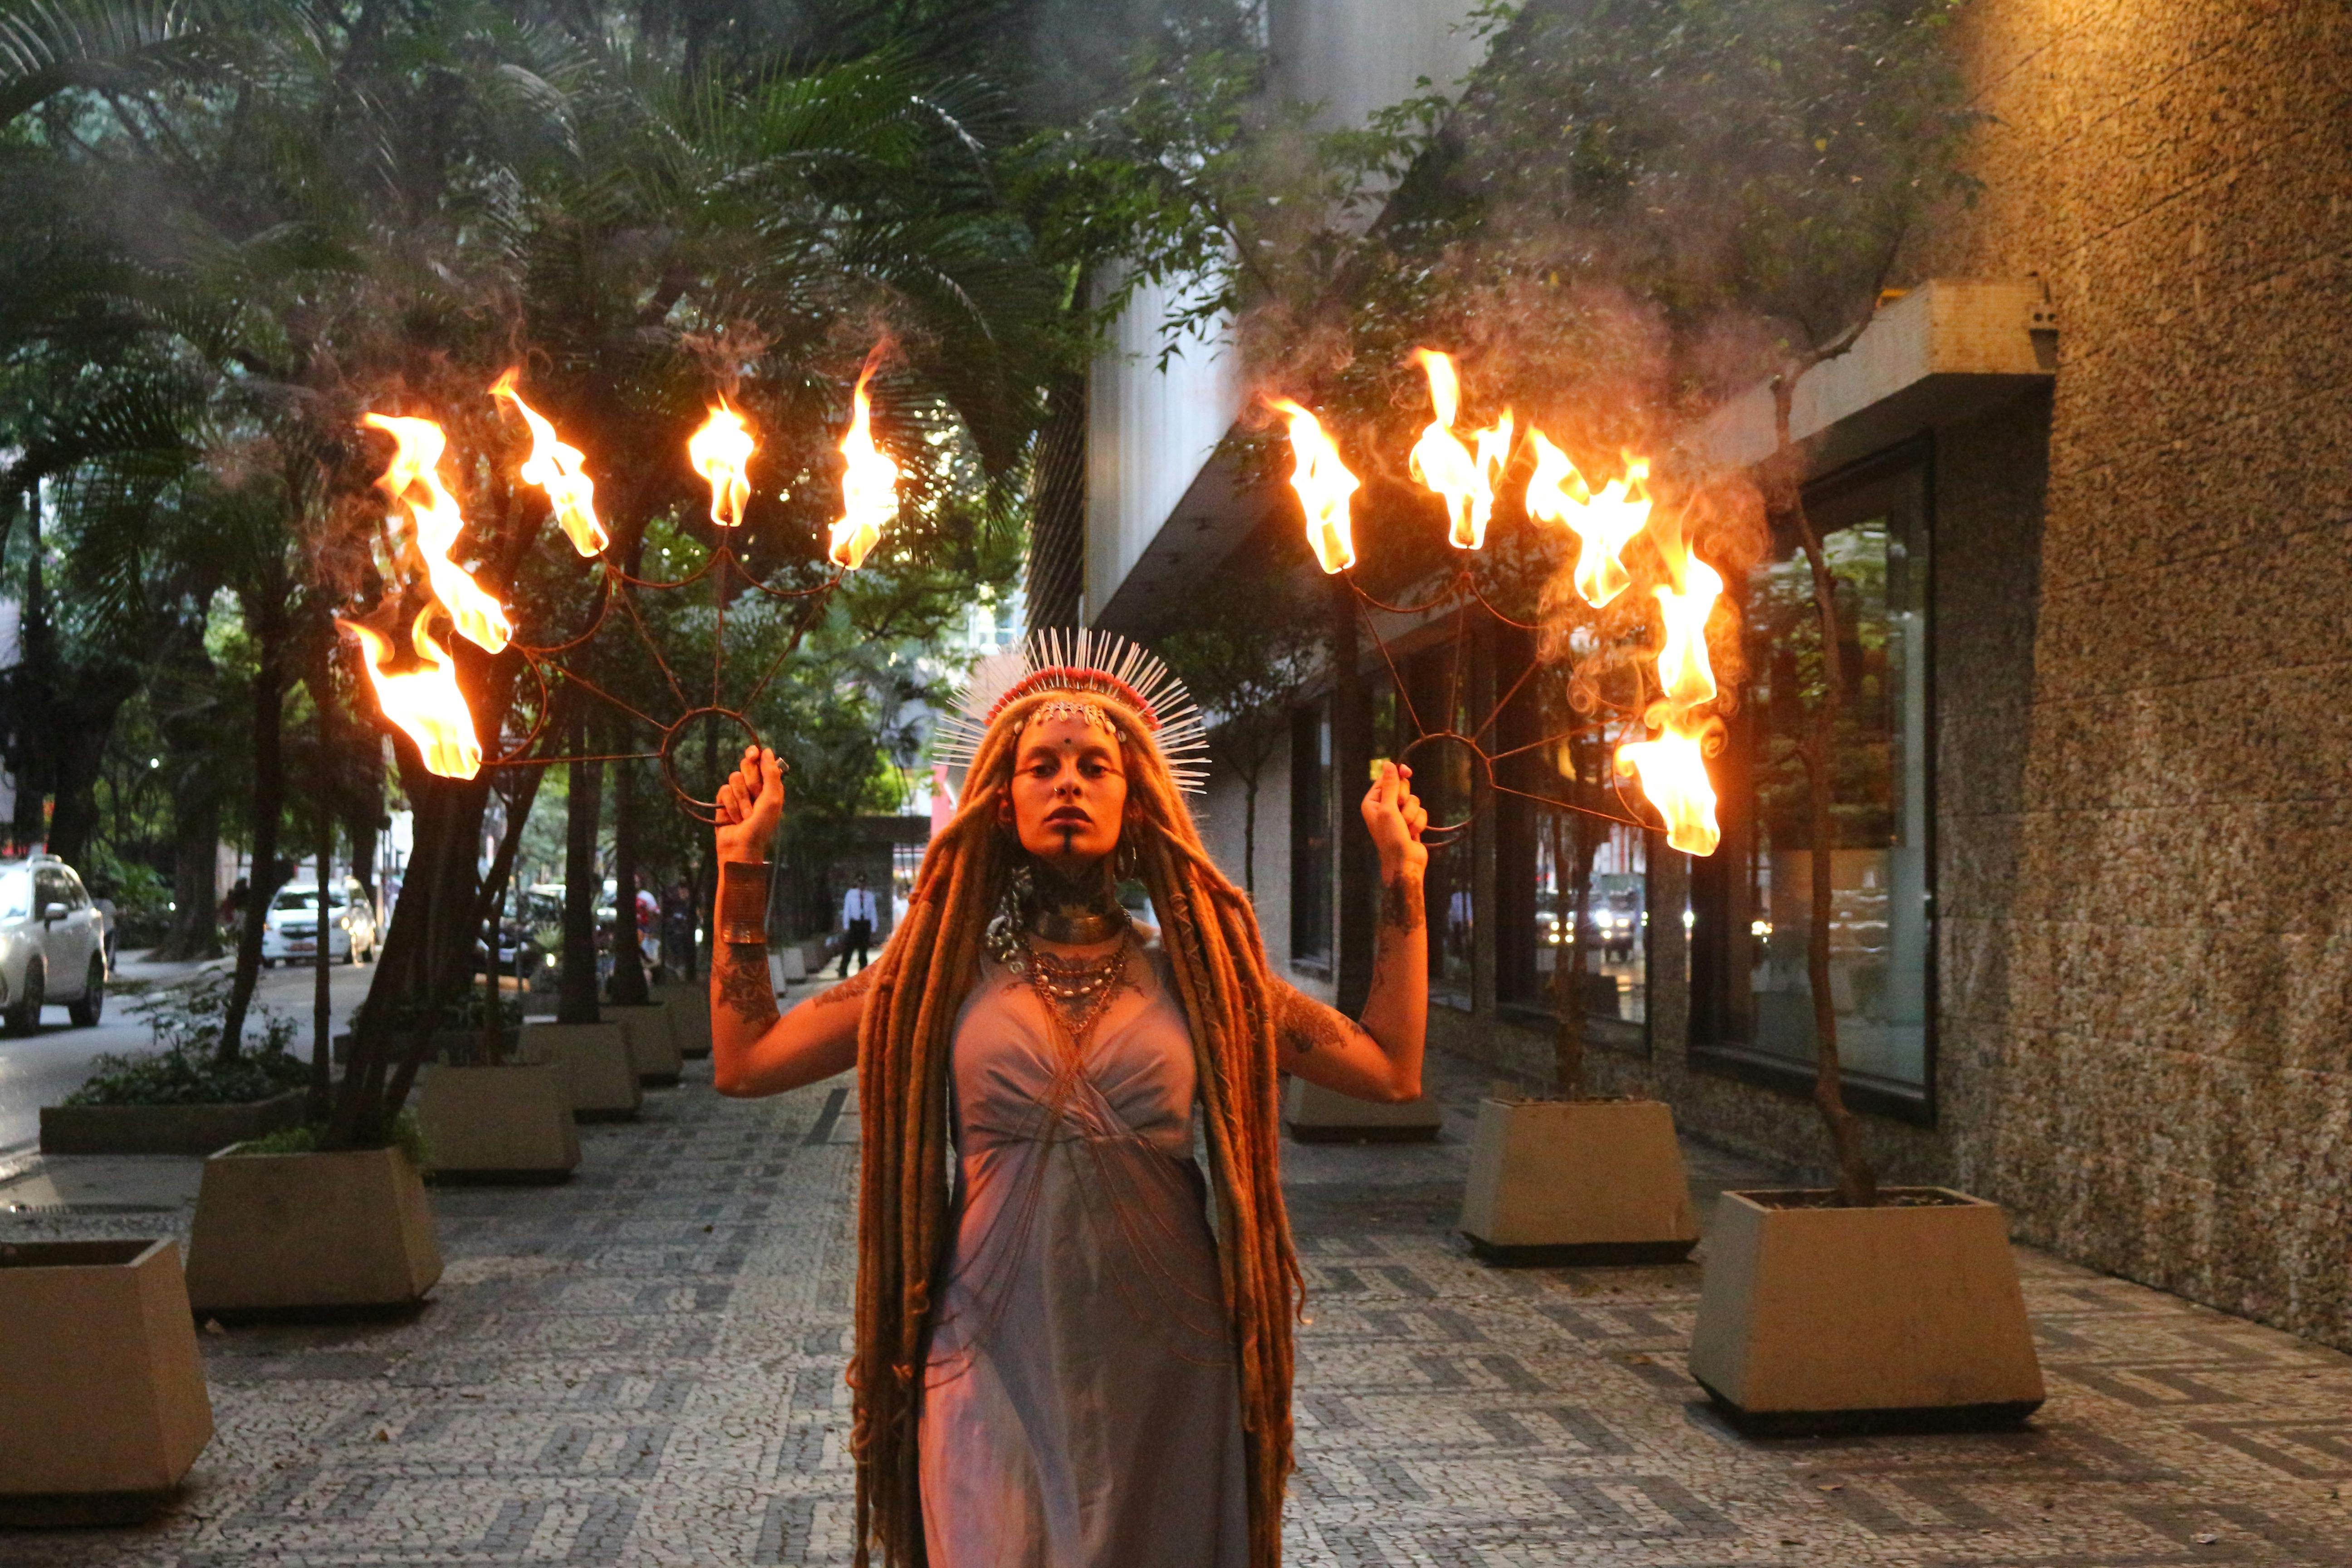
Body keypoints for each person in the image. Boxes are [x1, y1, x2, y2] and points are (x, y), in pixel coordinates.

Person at [708, 632, 1428, 1568]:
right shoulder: (938, 972)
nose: (1068, 784)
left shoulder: (1202, 974)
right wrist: (741, 872)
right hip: (986, 1351)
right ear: (1002, 804)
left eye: (1096, 766)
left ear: (1137, 805)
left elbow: (1389, 1069)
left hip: (1171, 1353)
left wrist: (1403, 882)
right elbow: (749, 1059)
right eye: (1041, 767)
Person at [836, 875, 877, 977]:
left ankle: (863, 971)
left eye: (863, 883)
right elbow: (847, 910)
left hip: (865, 924)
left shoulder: (870, 896)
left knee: (863, 949)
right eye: (860, 882)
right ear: (857, 883)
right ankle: (843, 970)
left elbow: (873, 911)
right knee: (848, 948)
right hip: (854, 923)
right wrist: (846, 925)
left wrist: (874, 926)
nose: (861, 885)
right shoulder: (851, 894)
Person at [661, 881, 696, 980]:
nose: (684, 893)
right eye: (682, 890)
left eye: (686, 890)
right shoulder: (673, 903)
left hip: (687, 935)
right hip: (674, 934)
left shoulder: (691, 904)